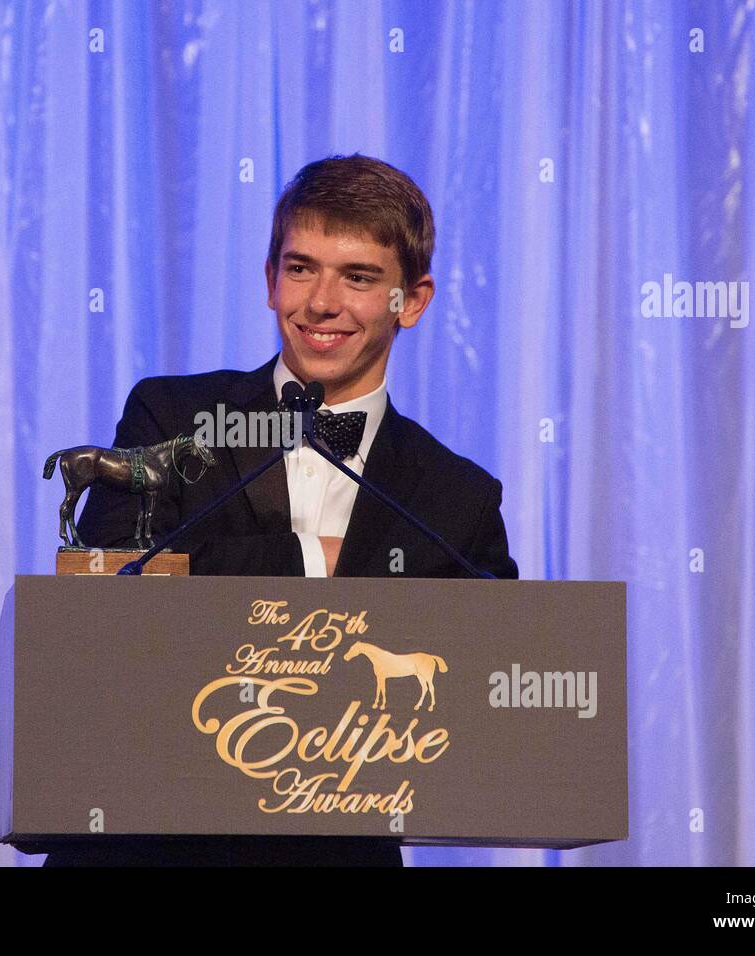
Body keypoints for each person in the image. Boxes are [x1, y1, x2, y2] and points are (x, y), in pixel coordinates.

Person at [47, 154, 519, 867]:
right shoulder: (172, 415)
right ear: (271, 281)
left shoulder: (456, 497)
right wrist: (311, 559)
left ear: (411, 301)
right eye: (301, 269)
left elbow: (490, 685)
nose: (321, 302)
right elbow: (109, 589)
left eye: (358, 277)